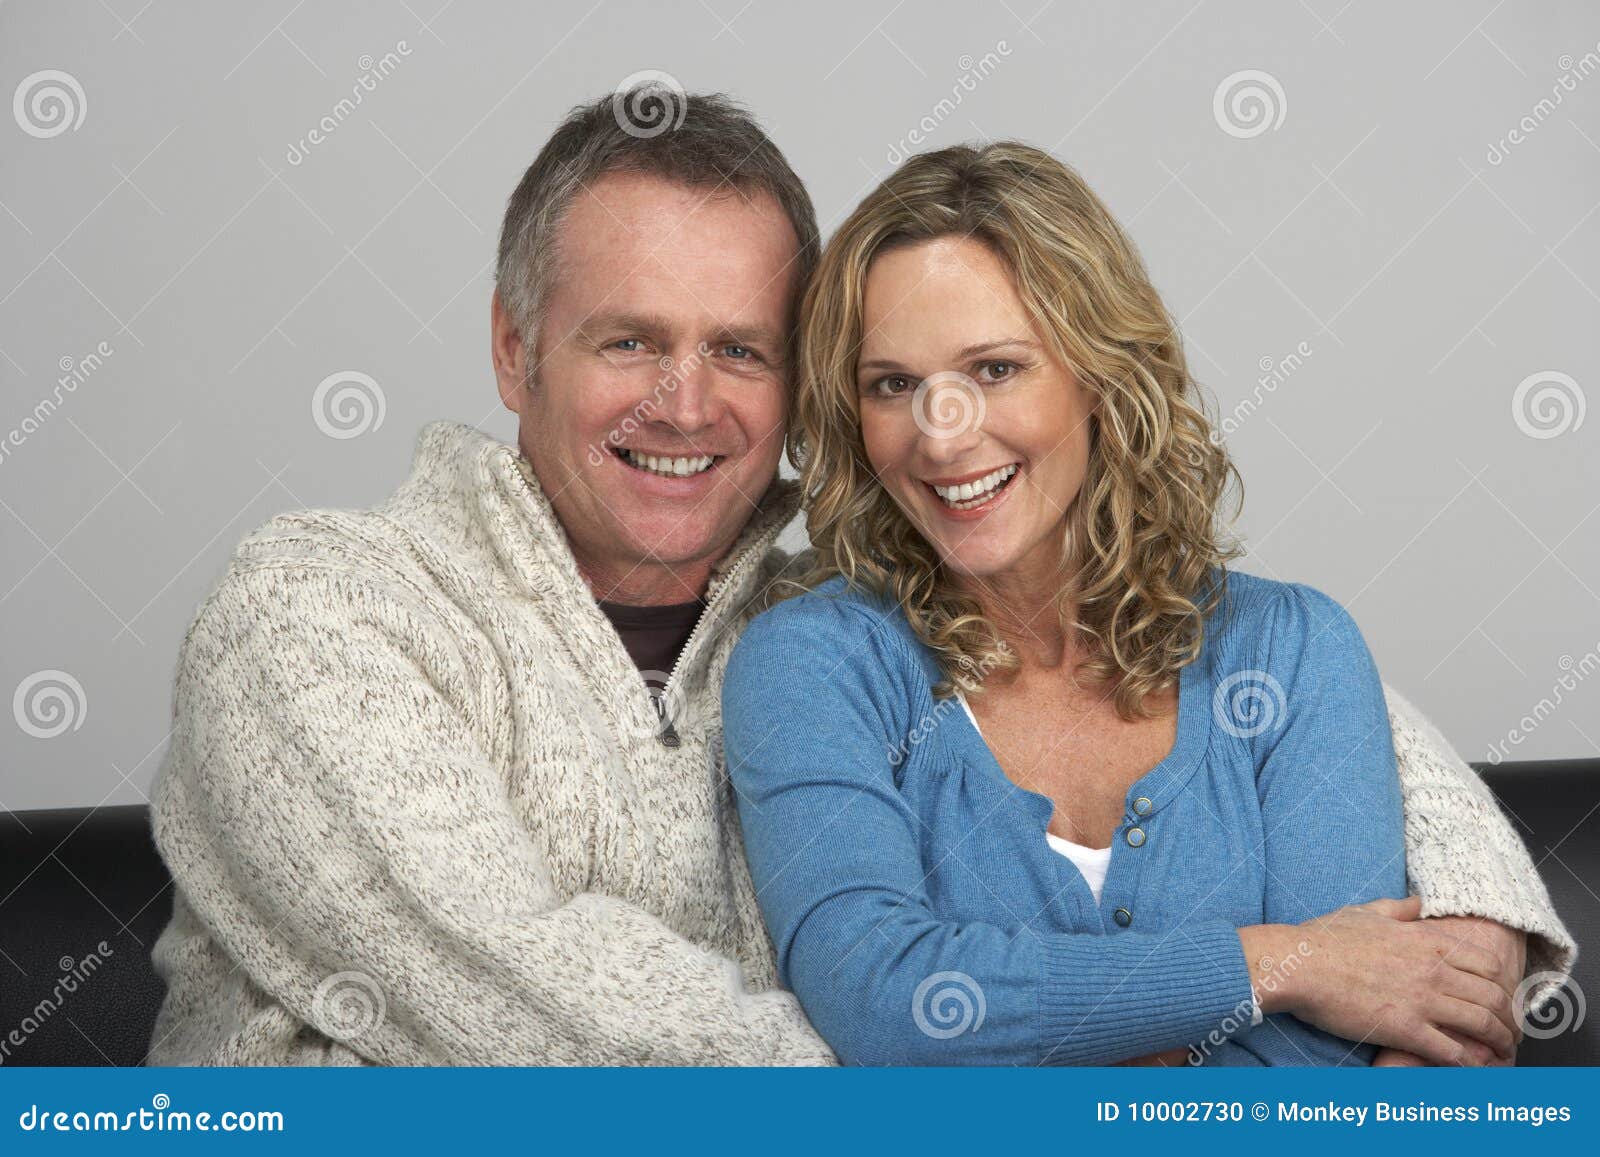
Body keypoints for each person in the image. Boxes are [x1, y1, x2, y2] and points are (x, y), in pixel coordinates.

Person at [145, 89, 1572, 1066]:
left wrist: (1471, 927)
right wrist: (934, 1052)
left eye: (742, 349)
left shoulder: (839, 591)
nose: (687, 404)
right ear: (517, 351)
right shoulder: (323, 608)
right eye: (629, 341)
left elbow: (1318, 692)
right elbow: (517, 992)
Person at [722, 141, 1574, 1066]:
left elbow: (1334, 1057)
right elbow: (888, 1005)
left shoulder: (1290, 652)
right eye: (893, 384)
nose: (942, 433)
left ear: (1098, 374)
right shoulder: (810, 664)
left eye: (996, 368)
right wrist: (1279, 962)